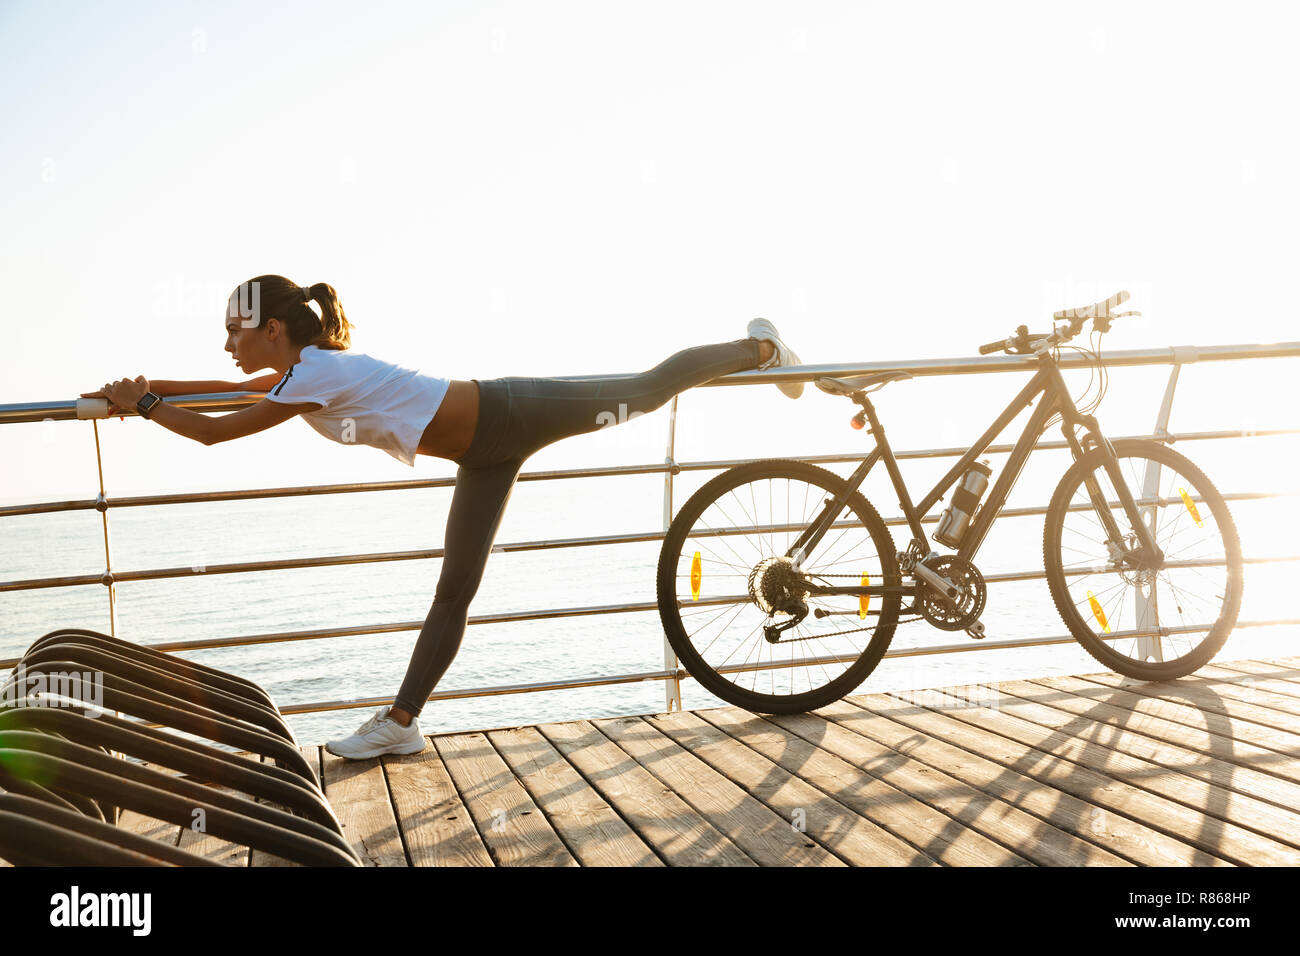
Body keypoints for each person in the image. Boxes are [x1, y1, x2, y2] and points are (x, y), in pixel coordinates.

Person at [86, 274, 804, 759]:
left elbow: (216, 427)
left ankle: (762, 348)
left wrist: (146, 406)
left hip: (510, 410)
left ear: (272, 329)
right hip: (483, 455)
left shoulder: (318, 374)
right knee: (454, 588)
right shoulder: (303, 371)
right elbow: (221, 387)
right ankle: (401, 725)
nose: (226, 345)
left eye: (233, 331)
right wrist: (143, 390)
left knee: (646, 389)